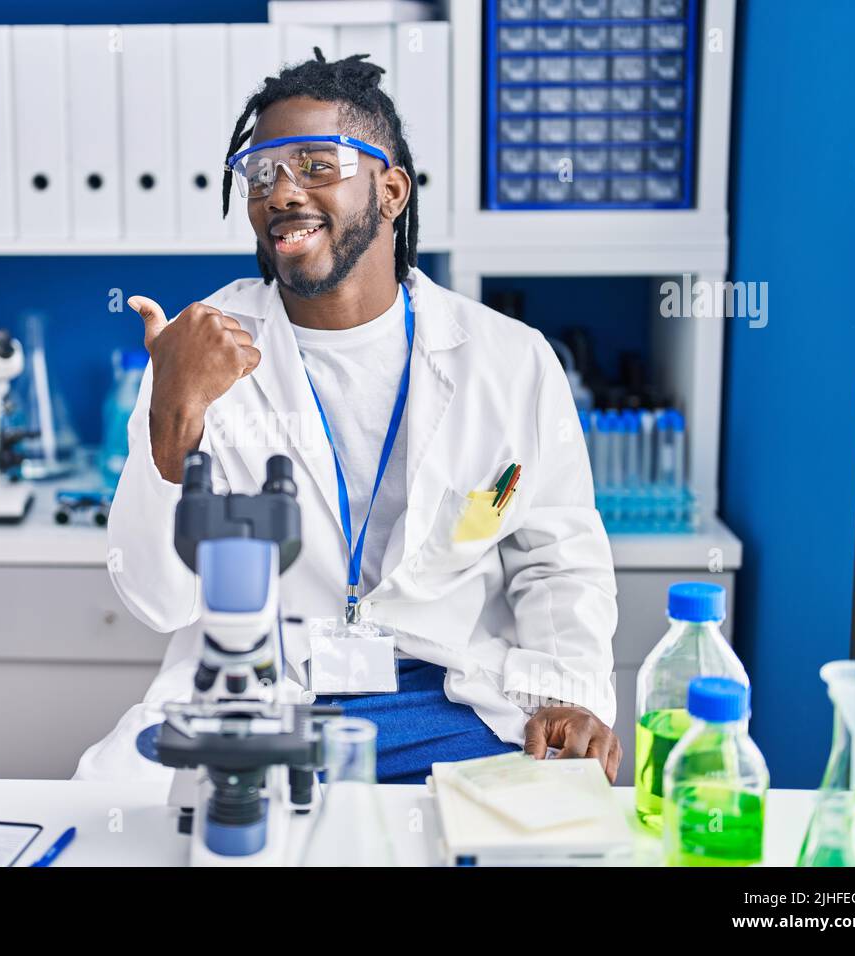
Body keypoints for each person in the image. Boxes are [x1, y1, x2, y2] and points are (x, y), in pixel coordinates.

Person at [76, 50, 621, 784]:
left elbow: (558, 557)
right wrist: (176, 411)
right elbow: (155, 598)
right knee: (131, 822)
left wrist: (569, 694)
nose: (282, 194)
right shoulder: (198, 350)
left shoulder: (509, 360)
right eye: (261, 175)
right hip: (267, 700)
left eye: (316, 165)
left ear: (391, 190)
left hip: (452, 699)